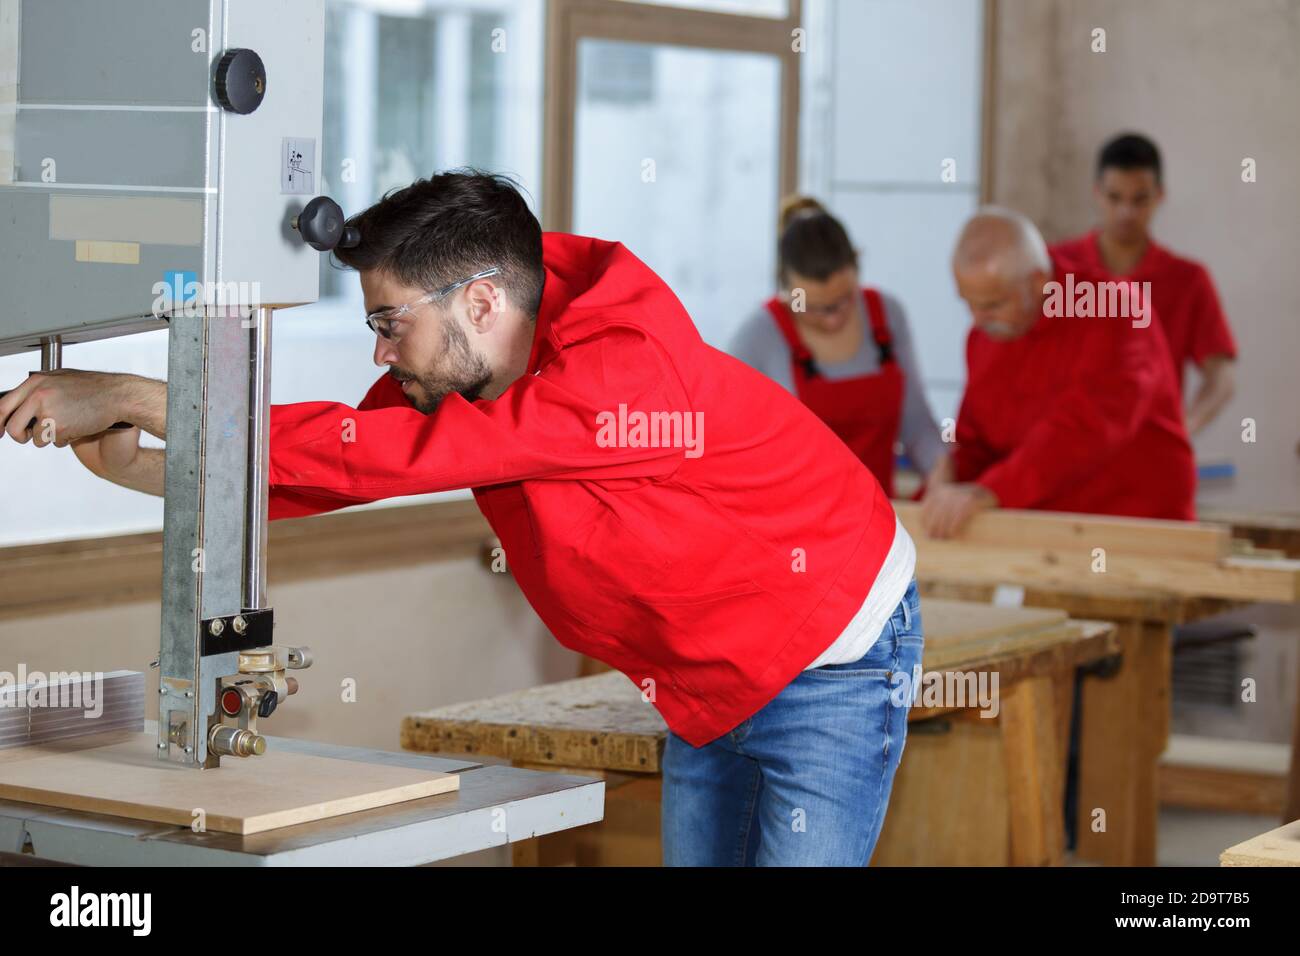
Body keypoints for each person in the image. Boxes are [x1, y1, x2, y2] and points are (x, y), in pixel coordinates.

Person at [1, 170, 922, 867]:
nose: (377, 348)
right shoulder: (482, 355)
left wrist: (133, 391)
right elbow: (346, 461)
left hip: (829, 652)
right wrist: (141, 468)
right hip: (705, 670)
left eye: (389, 322)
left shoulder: (617, 373)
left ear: (479, 301)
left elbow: (386, 456)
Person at [921, 206, 1196, 539]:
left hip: (1137, 533)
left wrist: (988, 492)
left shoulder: (1116, 310)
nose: (976, 320)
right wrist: (949, 476)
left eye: (992, 304)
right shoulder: (986, 336)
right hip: (1044, 537)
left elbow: (1083, 429)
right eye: (968, 302)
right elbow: (976, 437)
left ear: (1037, 283)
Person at [729, 197, 944, 496]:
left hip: (880, 519)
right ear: (785, 288)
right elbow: (732, 451)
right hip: (795, 525)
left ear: (858, 265)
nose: (833, 320)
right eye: (817, 308)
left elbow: (917, 422)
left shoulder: (888, 315)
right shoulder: (757, 338)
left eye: (844, 301)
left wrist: (940, 475)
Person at [1051, 133, 1237, 434]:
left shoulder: (1187, 280)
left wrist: (1184, 429)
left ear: (1159, 196)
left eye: (1140, 199)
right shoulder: (1056, 270)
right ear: (1097, 193)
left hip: (1149, 456)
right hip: (1066, 452)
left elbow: (1222, 376)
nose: (1127, 212)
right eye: (1115, 198)